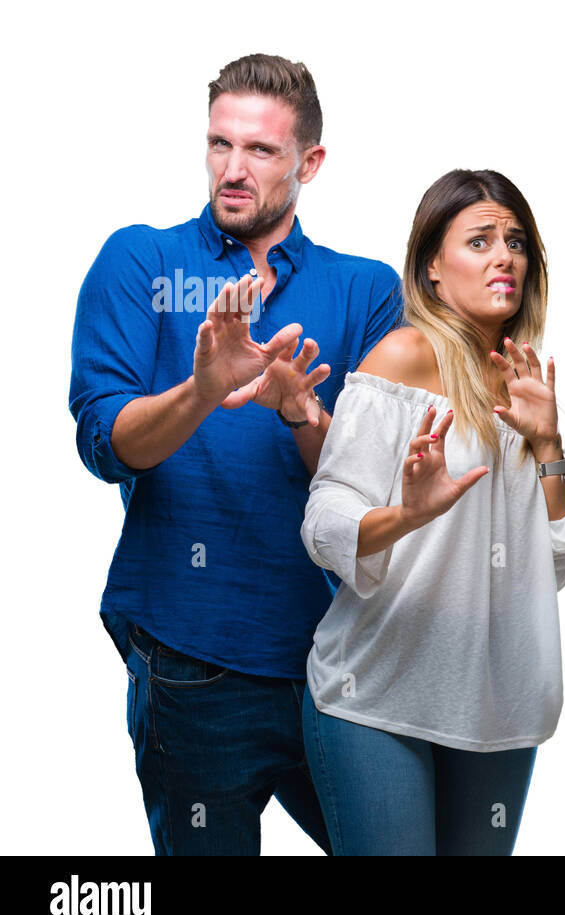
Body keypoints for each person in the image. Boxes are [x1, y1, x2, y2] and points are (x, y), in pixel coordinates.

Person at [68, 54, 404, 855]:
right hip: (192, 659)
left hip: (341, 661)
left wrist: (299, 413)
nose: (233, 169)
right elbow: (105, 445)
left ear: (310, 162)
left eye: (260, 151)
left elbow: (373, 491)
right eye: (220, 145)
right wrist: (200, 387)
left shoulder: (365, 290)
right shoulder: (141, 263)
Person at [298, 168, 565, 856]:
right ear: (432, 267)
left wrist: (548, 445)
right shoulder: (405, 357)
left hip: (495, 708)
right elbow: (325, 517)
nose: (504, 258)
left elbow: (558, 560)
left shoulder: (521, 381)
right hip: (374, 693)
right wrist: (406, 513)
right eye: (480, 240)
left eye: (516, 242)